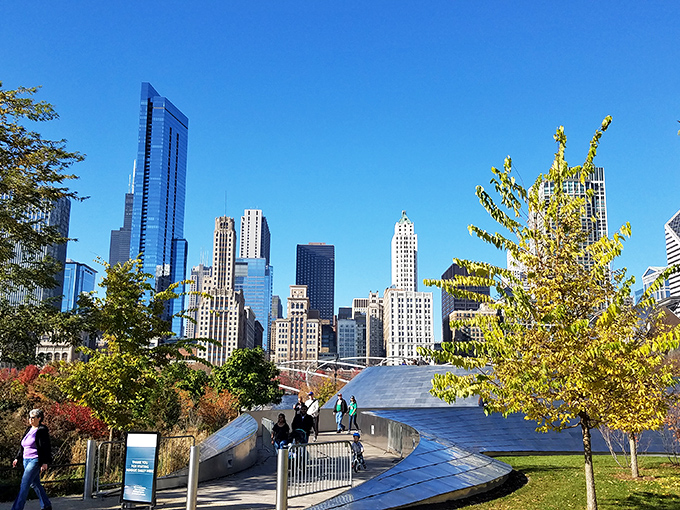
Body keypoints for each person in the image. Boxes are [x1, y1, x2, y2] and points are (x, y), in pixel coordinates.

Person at [11, 409, 52, 510]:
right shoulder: (29, 430)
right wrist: (17, 458)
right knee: (35, 483)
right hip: (26, 459)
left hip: (35, 460)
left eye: (33, 417)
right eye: (29, 417)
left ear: (39, 418)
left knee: (24, 484)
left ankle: (17, 508)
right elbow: (23, 446)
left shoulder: (42, 430)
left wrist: (45, 462)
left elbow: (46, 447)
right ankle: (46, 505)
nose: (30, 419)